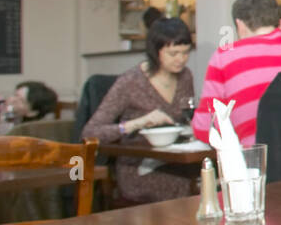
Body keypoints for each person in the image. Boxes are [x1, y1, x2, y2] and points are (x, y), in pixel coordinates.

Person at [192, 0, 281, 146]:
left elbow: (204, 127)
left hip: (259, 162)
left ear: (240, 25)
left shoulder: (225, 56)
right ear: (280, 23)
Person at [83, 18, 197, 203]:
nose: (181, 59)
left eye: (185, 53)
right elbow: (90, 132)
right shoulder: (131, 82)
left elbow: (185, 118)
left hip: (176, 163)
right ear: (155, 51)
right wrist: (138, 123)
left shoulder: (185, 76)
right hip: (139, 168)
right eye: (173, 53)